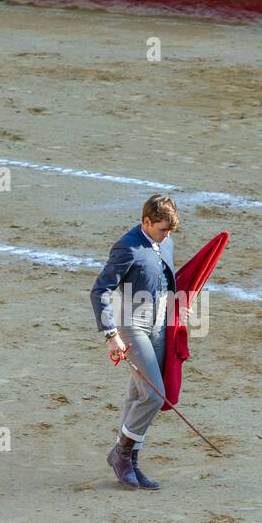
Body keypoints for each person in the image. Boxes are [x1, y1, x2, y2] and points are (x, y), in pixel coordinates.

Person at [90, 195, 180, 490]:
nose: (166, 236)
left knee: (137, 395)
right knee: (154, 395)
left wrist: (181, 307)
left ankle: (130, 459)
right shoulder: (126, 247)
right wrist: (110, 334)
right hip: (132, 327)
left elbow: (167, 281)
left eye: (169, 231)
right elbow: (100, 291)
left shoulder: (165, 242)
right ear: (146, 222)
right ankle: (122, 455)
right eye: (162, 230)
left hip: (158, 325)